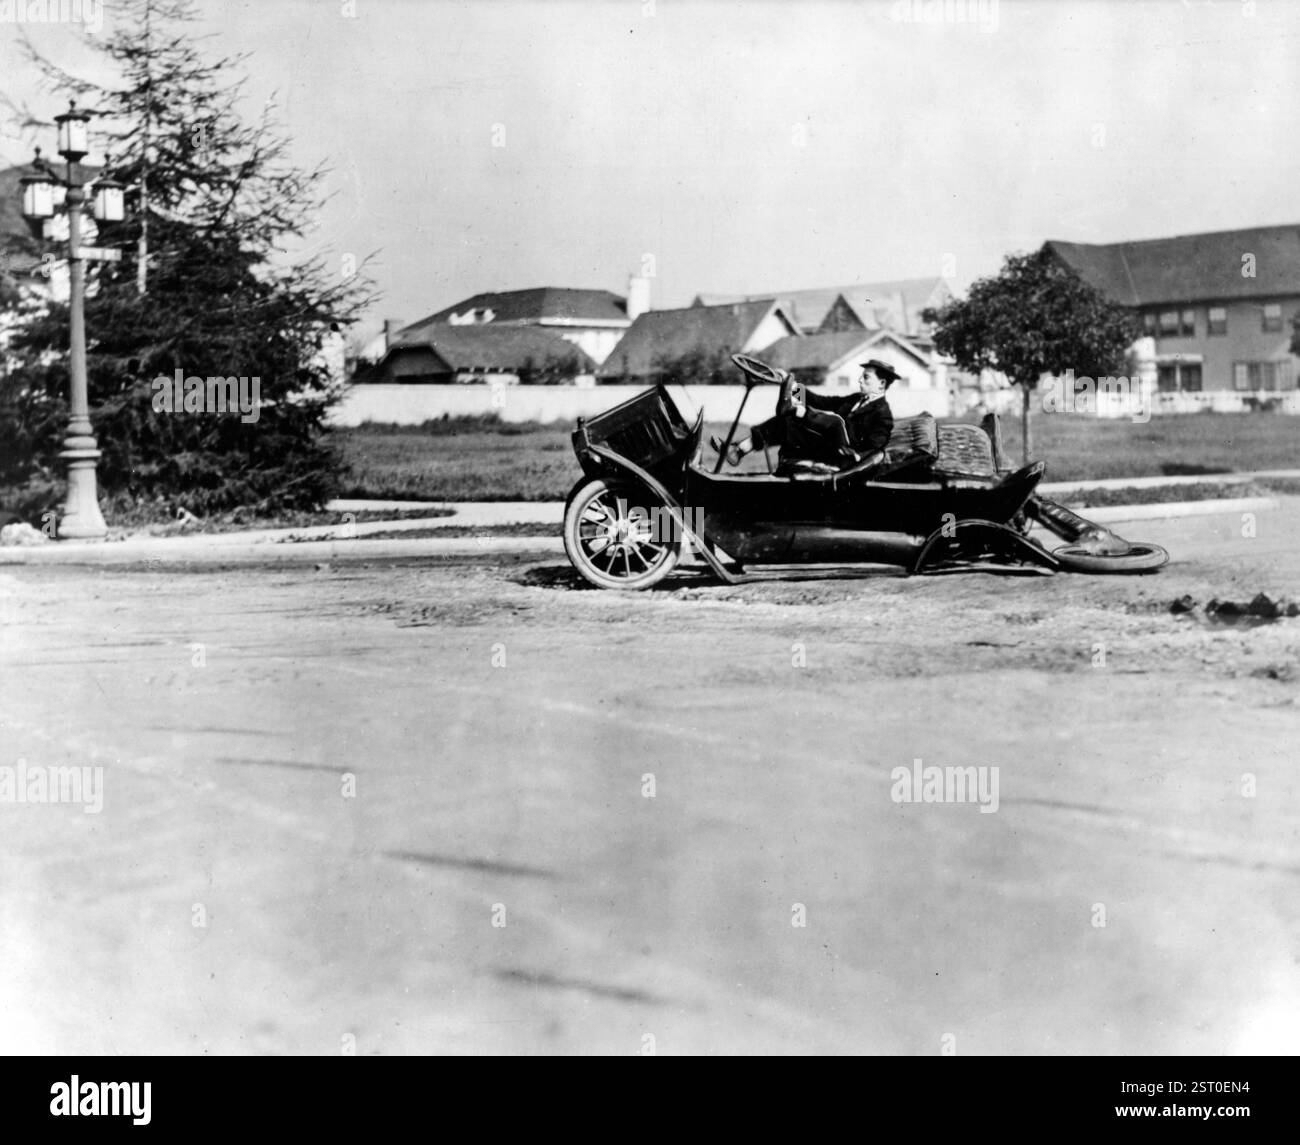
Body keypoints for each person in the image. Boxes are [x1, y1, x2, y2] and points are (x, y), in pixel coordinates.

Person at [712, 359, 900, 468]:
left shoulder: (883, 414)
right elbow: (820, 401)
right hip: (827, 445)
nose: (860, 380)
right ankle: (738, 451)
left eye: (866, 377)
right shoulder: (854, 399)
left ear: (882, 384)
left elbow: (876, 447)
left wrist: (856, 457)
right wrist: (792, 385)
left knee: (836, 421)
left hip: (846, 456)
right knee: (787, 422)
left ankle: (797, 410)